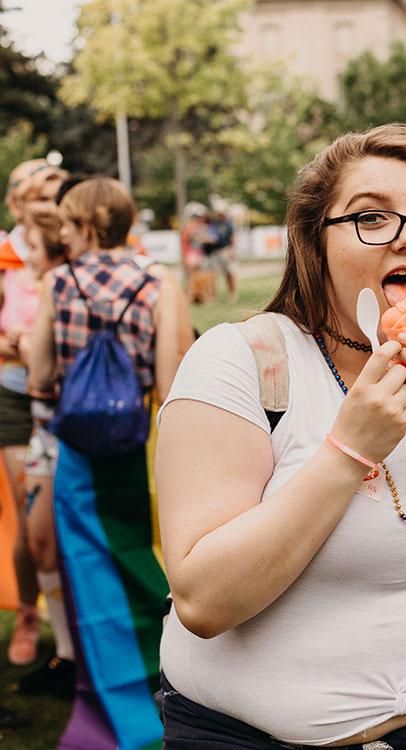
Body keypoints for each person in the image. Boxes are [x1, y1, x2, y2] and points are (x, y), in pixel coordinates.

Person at [155, 124, 406, 748]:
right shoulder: (244, 361)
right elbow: (203, 601)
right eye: (371, 219)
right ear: (315, 242)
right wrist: (348, 451)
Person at [27, 176, 185, 749]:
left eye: (68, 224)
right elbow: (170, 382)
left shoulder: (56, 282)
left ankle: (118, 720)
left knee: (94, 583)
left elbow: (41, 375)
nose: (62, 235)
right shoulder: (158, 280)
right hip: (139, 450)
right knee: (153, 569)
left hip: (80, 458)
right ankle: (173, 693)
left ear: (88, 224)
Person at [0, 162, 66, 667]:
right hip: (15, 397)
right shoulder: (3, 254)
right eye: (41, 193)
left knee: (67, 516)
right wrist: (15, 343)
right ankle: (28, 613)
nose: (51, 201)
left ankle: (74, 624)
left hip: (68, 398)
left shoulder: (68, 241)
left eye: (56, 192)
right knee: (29, 519)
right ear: (16, 202)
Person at [16, 206, 76, 699]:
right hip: (47, 437)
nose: (26, 255)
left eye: (33, 246)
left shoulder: (58, 288)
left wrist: (23, 342)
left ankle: (74, 656)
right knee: (45, 548)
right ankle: (68, 653)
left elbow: (39, 373)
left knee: (49, 547)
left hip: (60, 436)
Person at [201, 208, 238, 303]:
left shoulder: (229, 224)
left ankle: (232, 294)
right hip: (214, 252)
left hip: (224, 250)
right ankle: (213, 297)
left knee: (229, 273)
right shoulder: (213, 224)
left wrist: (232, 250)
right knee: (213, 275)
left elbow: (233, 238)